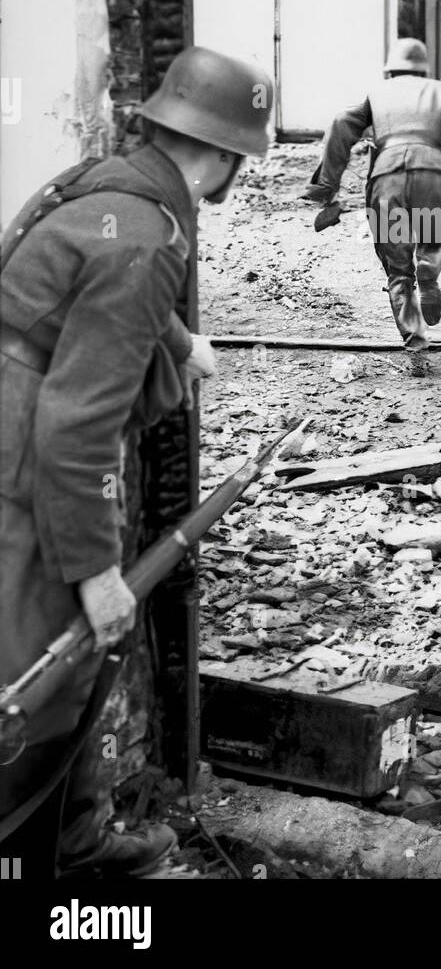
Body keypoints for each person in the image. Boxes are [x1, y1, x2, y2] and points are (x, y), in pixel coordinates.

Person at [0, 46, 273, 878]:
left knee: (65, 672)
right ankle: (31, 863)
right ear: (224, 156)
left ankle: (75, 844)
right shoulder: (148, 236)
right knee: (39, 680)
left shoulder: (100, 186)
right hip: (29, 468)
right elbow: (76, 426)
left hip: (16, 420)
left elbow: (87, 300)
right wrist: (96, 573)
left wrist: (181, 344)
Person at [303, 39, 441, 377]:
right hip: (434, 174)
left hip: (388, 179)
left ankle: (416, 347)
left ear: (389, 69)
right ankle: (429, 270)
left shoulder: (376, 93)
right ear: (424, 69)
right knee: (432, 240)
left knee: (399, 272)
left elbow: (342, 123)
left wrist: (327, 188)